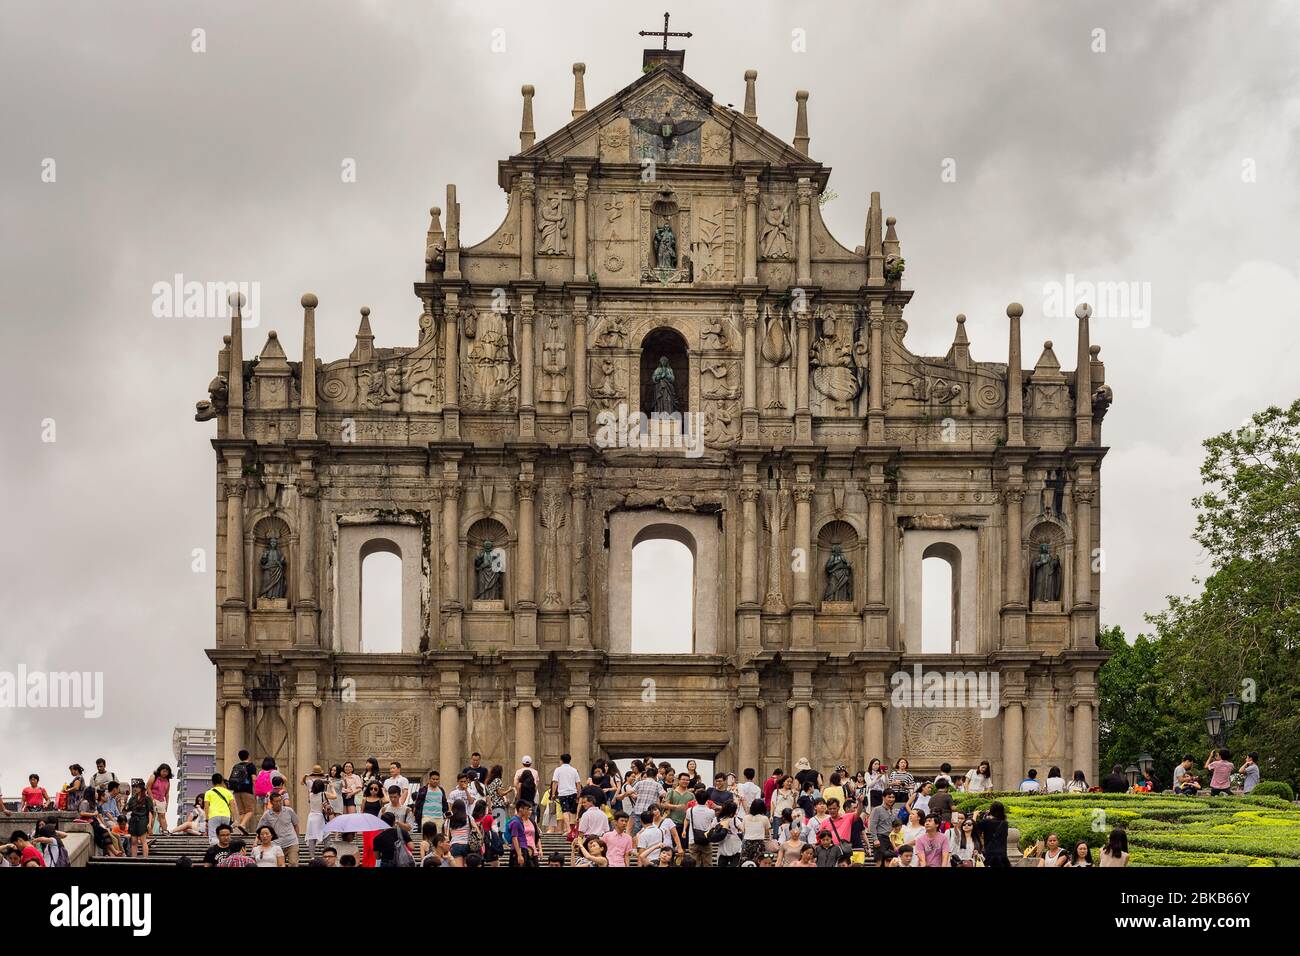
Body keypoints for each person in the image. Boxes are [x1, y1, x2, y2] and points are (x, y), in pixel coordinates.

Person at [258, 790, 300, 866]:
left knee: (294, 863)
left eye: (280, 801)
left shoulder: (289, 811)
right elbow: (260, 829)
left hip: (291, 842)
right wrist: (258, 841)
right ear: (271, 802)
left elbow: (296, 825)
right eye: (276, 801)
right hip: (276, 844)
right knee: (277, 864)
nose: (279, 803)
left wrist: (297, 838)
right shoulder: (267, 814)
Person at [684, 789, 717, 867]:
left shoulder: (690, 810)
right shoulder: (711, 812)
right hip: (706, 840)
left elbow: (687, 819)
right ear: (707, 799)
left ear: (696, 798)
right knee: (708, 863)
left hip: (693, 840)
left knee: (693, 864)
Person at [550, 752, 581, 832]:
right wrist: (578, 794)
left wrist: (553, 793)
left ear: (561, 760)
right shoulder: (574, 770)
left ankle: (568, 829)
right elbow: (578, 783)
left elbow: (555, 782)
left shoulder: (558, 770)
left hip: (563, 793)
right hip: (573, 792)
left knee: (565, 811)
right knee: (572, 812)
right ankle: (572, 828)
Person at [972, 802, 1010, 867]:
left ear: (991, 811)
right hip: (1002, 856)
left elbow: (973, 826)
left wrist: (975, 815)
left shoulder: (986, 822)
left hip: (990, 855)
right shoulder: (1005, 823)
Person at [125, 779, 154, 857]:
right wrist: (125, 799)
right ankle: (134, 859)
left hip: (143, 819)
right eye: (134, 787)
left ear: (141, 788)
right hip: (133, 820)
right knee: (134, 841)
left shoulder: (147, 798)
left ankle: (145, 859)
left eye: (137, 787)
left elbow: (150, 811)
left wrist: (149, 823)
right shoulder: (132, 799)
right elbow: (126, 809)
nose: (135, 788)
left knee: (143, 840)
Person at [507, 799, 539, 867]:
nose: (528, 811)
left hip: (523, 848)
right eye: (526, 809)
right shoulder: (516, 821)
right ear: (520, 809)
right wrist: (519, 854)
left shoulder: (519, 820)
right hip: (519, 849)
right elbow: (514, 838)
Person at [415, 770, 448, 835]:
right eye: (433, 779)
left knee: (437, 838)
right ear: (429, 779)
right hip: (426, 817)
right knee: (426, 836)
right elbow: (418, 803)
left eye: (437, 779)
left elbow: (444, 803)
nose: (435, 781)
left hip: (439, 817)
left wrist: (445, 815)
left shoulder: (441, 790)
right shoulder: (423, 789)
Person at [742, 798, 772, 864]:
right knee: (758, 863)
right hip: (759, 844)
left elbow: (743, 830)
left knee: (745, 863)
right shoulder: (764, 818)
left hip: (747, 843)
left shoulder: (745, 818)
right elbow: (767, 833)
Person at [484, 764, 513, 832]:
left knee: (493, 828)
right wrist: (509, 790)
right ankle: (499, 841)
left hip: (491, 806)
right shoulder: (497, 780)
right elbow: (501, 793)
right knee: (500, 827)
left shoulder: (489, 782)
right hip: (498, 805)